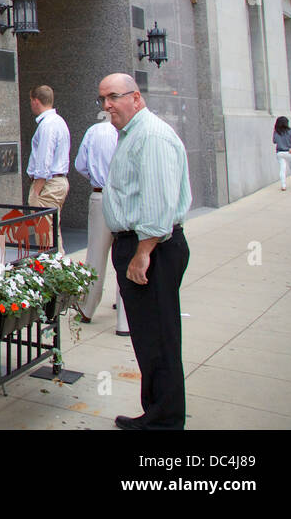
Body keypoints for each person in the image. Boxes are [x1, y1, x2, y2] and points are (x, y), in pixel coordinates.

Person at [97, 73, 191, 430]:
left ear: (135, 98)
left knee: (159, 340)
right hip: (141, 246)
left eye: (114, 97)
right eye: (102, 98)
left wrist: (143, 252)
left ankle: (164, 422)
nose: (107, 105)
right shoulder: (134, 134)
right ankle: (156, 413)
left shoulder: (150, 135)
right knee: (150, 340)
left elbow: (158, 203)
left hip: (152, 249)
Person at [73, 113, 127, 330]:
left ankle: (87, 309)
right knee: (126, 254)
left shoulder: (94, 132)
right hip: (125, 197)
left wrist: (97, 177)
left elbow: (80, 165)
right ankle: (125, 320)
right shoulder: (127, 132)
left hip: (101, 194)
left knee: (96, 254)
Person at [26, 84, 70, 251]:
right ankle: (58, 267)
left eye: (31, 101)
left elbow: (44, 160)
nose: (31, 104)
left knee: (45, 235)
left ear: (36, 101)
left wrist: (36, 191)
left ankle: (51, 269)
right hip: (56, 181)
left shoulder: (47, 125)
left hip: (48, 184)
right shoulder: (58, 122)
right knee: (51, 232)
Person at [273, 115, 291, 190]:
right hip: (290, 152)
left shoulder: (276, 132)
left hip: (280, 152)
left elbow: (274, 141)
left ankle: (283, 185)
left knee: (282, 169)